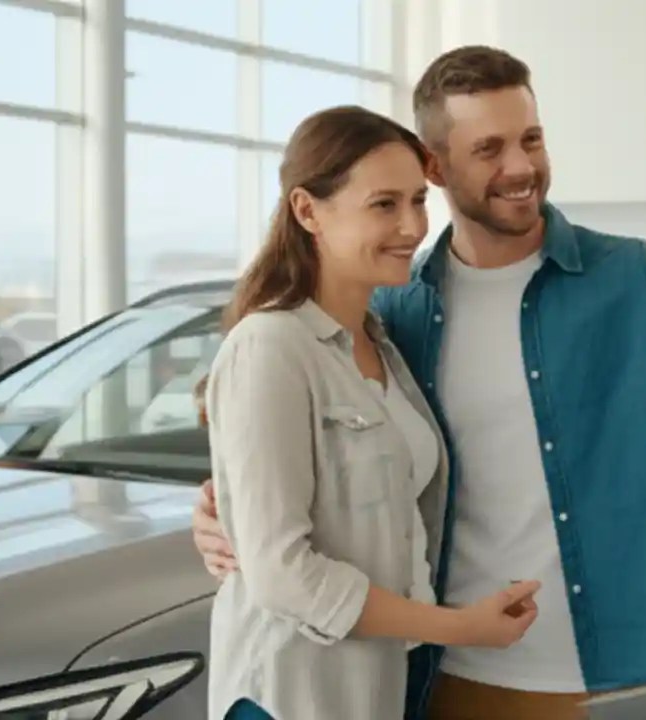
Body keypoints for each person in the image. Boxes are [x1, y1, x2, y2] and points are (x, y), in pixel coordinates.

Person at [194, 46, 646, 719]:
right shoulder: (396, 312)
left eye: (532, 139)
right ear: (437, 166)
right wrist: (223, 510)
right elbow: (302, 455)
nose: (520, 167)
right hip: (448, 673)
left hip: (621, 673)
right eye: (488, 148)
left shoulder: (633, 278)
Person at [204, 105, 541, 720]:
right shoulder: (270, 346)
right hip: (290, 694)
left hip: (378, 685)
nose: (412, 226)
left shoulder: (381, 344)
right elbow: (280, 571)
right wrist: (456, 627)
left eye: (418, 200)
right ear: (308, 211)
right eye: (384, 204)